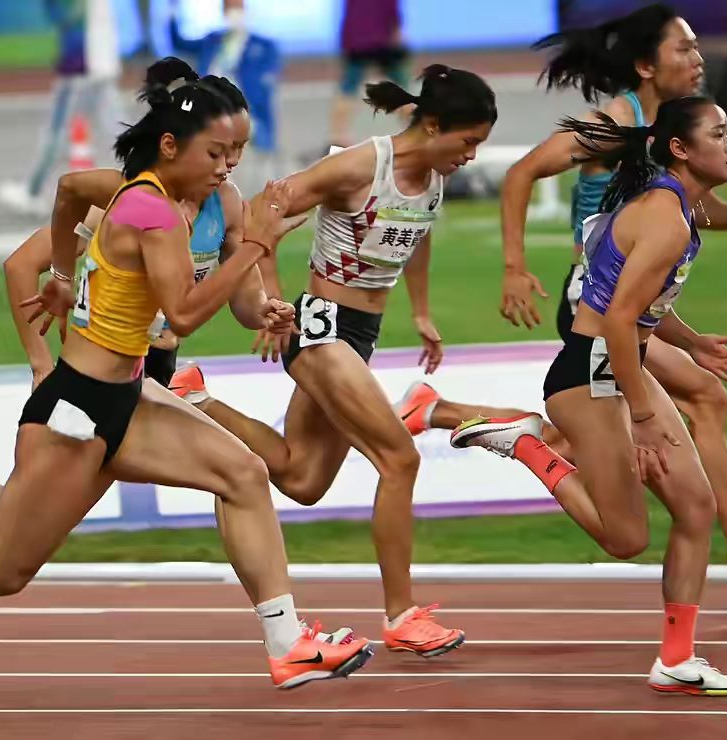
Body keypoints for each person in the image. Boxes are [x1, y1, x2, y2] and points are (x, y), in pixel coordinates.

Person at [0, 71, 373, 689]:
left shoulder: (182, 203)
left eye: (237, 154)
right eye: (216, 153)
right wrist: (257, 245)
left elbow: (68, 197)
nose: (229, 167)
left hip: (129, 396)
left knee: (245, 474)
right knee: (3, 569)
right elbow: (184, 313)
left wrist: (64, 276)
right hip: (76, 412)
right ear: (170, 146)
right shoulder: (149, 209)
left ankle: (289, 644)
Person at [166, 65, 497, 657]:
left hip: (360, 334)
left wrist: (420, 312)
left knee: (303, 479)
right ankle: (402, 614)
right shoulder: (360, 165)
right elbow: (272, 206)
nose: (473, 156)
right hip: (322, 329)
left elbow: (416, 237)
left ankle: (195, 398)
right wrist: (271, 298)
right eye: (468, 141)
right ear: (435, 125)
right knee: (398, 459)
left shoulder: (434, 179)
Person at [485, 4, 727, 583]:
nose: (698, 59)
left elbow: (693, 208)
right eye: (683, 49)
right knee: (698, 397)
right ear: (645, 65)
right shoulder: (615, 123)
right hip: (591, 299)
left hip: (623, 304)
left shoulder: (676, 137)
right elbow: (520, 174)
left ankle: (463, 419)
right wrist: (514, 266)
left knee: (699, 398)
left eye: (697, 47)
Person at [464, 96, 727, 694]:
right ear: (680, 148)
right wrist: (643, 418)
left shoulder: (673, 210)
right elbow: (620, 321)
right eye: (719, 134)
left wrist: (692, 343)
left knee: (697, 509)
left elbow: (637, 309)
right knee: (625, 538)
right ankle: (527, 444)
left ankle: (676, 658)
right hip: (591, 376)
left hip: (621, 367)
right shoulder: (666, 217)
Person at [0, 0, 124, 215]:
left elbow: (66, 14)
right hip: (96, 57)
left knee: (59, 129)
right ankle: (150, 185)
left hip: (82, 61)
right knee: (114, 127)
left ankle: (32, 191)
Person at [169, 0, 281, 195]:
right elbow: (180, 42)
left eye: (237, 8)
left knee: (258, 158)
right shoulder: (212, 41)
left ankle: (264, 198)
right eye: (229, 8)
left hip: (246, 109)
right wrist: (172, 12)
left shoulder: (262, 45)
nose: (233, 13)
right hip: (211, 108)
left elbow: (266, 83)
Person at [329, 0, 411, 148]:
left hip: (356, 40)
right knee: (402, 88)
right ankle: (415, 130)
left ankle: (337, 136)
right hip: (384, 40)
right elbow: (393, 12)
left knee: (348, 89)